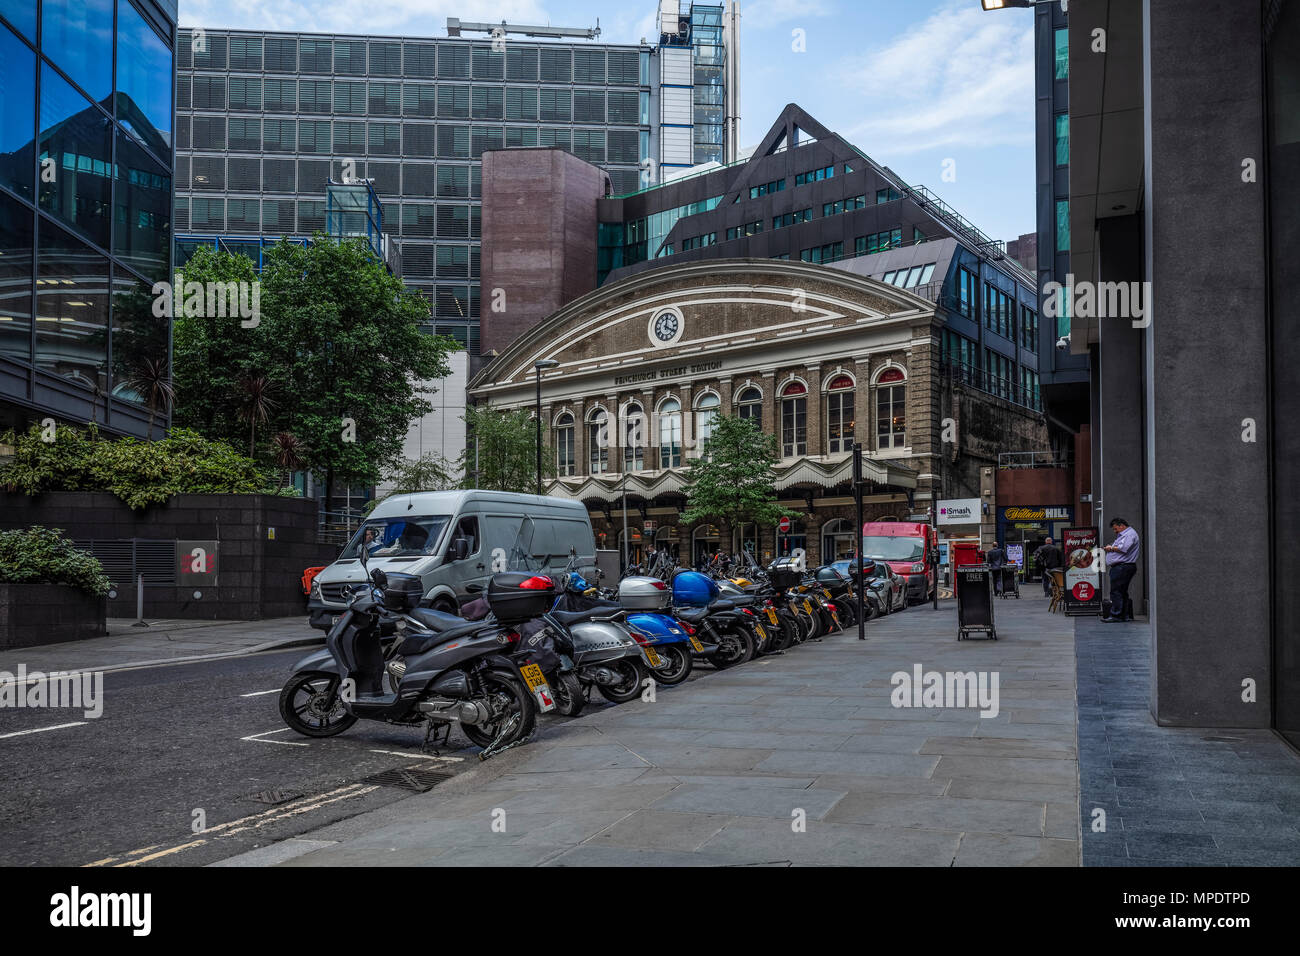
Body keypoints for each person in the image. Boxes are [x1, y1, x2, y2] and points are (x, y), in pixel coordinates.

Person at [1101, 517, 1140, 622]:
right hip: (1123, 567)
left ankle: (1116, 615)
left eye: (1115, 529)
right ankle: (1124, 615)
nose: (1115, 531)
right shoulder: (1125, 535)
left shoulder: (1129, 534)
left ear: (1122, 525)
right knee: (1122, 592)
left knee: (1116, 592)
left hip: (1122, 567)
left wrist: (1111, 548)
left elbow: (1124, 548)